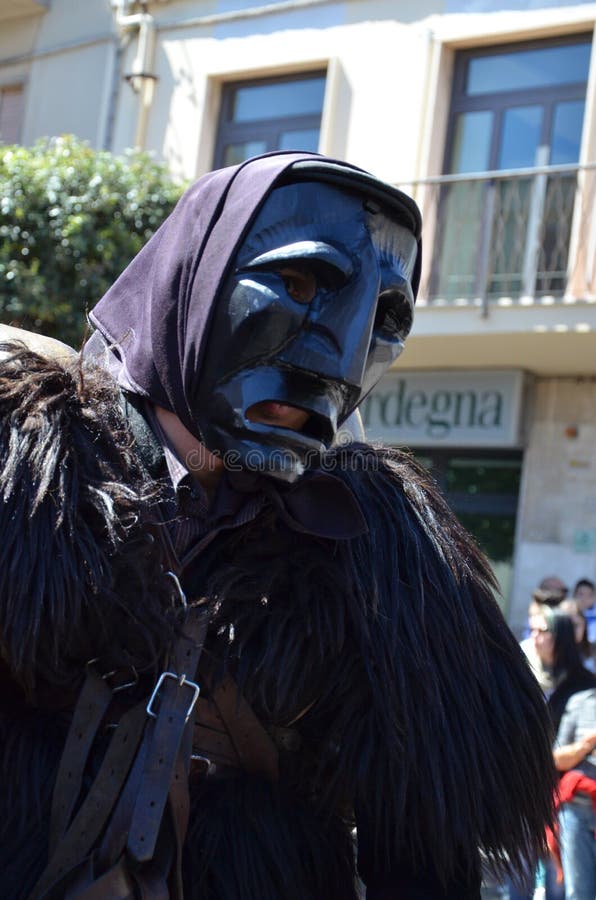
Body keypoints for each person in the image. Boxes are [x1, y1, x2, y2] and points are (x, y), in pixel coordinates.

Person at [0, 152, 557, 899]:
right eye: (297, 283)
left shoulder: (386, 563)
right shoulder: (29, 476)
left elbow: (425, 860)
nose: (343, 355)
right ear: (193, 279)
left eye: (384, 317)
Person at [553, 687, 596, 900]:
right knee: (578, 893)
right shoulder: (580, 701)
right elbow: (557, 759)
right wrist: (587, 745)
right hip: (576, 810)